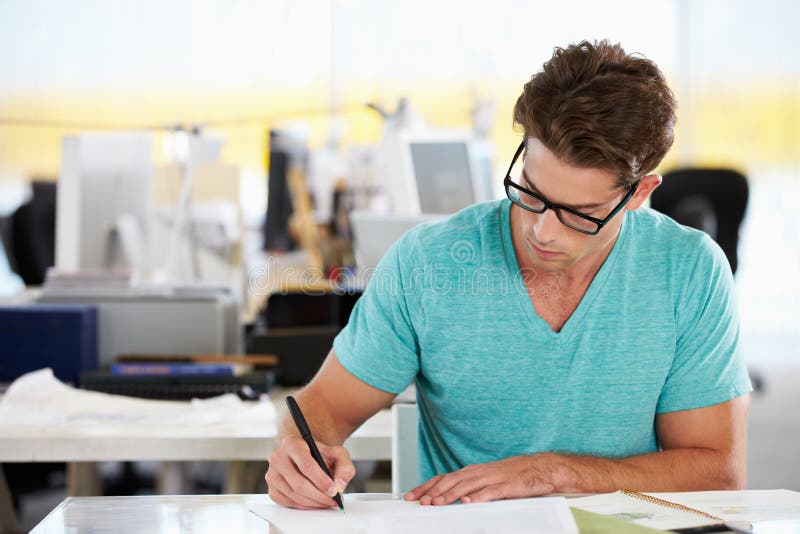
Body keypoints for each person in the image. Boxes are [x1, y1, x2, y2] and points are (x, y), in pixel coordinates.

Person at [265, 39, 752, 510]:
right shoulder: (427, 263)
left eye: (581, 214)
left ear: (640, 193)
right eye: (531, 192)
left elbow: (716, 472)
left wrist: (552, 473)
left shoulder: (689, 271)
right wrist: (298, 453)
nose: (543, 230)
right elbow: (323, 408)